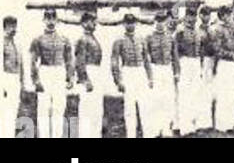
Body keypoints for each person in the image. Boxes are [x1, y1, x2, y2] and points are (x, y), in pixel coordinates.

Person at [30, 8, 74, 140]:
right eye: (48, 18)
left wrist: (70, 76)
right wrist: (36, 80)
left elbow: (69, 59)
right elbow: (33, 61)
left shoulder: (64, 39)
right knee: (43, 108)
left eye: (53, 18)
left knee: (59, 108)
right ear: (44, 20)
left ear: (57, 20)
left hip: (59, 73)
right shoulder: (38, 39)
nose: (51, 21)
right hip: (45, 71)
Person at [111, 12, 153, 140]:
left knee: (144, 104)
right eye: (128, 23)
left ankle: (148, 135)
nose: (130, 25)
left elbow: (146, 60)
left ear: (136, 23)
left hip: (140, 72)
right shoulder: (118, 40)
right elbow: (114, 61)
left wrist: (150, 77)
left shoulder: (141, 39)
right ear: (124, 24)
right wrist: (118, 80)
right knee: (129, 107)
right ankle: (131, 135)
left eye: (132, 22)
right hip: (128, 72)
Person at [145, 9, 178, 137]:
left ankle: (166, 128)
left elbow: (174, 56)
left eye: (162, 21)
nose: (160, 23)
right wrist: (149, 75)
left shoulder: (170, 37)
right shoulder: (149, 37)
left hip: (167, 69)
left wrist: (176, 72)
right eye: (158, 20)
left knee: (168, 98)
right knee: (155, 99)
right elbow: (146, 57)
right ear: (154, 21)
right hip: (155, 69)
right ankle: (154, 128)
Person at [74, 11, 106, 139]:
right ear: (83, 23)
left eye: (94, 21)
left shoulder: (93, 38)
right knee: (87, 109)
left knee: (96, 109)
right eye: (91, 21)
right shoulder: (82, 40)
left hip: (96, 72)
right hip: (88, 72)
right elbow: (79, 61)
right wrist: (85, 79)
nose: (94, 23)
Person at [174, 3, 204, 134]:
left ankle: (193, 124)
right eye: (189, 16)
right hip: (184, 62)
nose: (192, 19)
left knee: (195, 93)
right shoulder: (180, 32)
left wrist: (201, 66)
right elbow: (175, 51)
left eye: (194, 16)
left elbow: (200, 50)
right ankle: (183, 126)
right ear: (185, 17)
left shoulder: (198, 32)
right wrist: (177, 69)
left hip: (195, 62)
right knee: (184, 94)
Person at [212, 5, 234, 132]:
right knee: (224, 93)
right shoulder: (217, 30)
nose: (229, 17)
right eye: (227, 14)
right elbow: (217, 50)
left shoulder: (232, 27)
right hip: (224, 63)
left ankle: (232, 121)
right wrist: (232, 55)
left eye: (229, 14)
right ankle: (222, 124)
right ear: (222, 16)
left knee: (233, 92)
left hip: (233, 63)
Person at [1, 16, 23, 140]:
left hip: (15, 79)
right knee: (4, 111)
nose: (13, 28)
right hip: (5, 78)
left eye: (15, 26)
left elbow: (20, 65)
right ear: (5, 27)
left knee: (13, 111)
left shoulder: (17, 44)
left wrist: (22, 82)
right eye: (10, 26)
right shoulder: (2, 43)